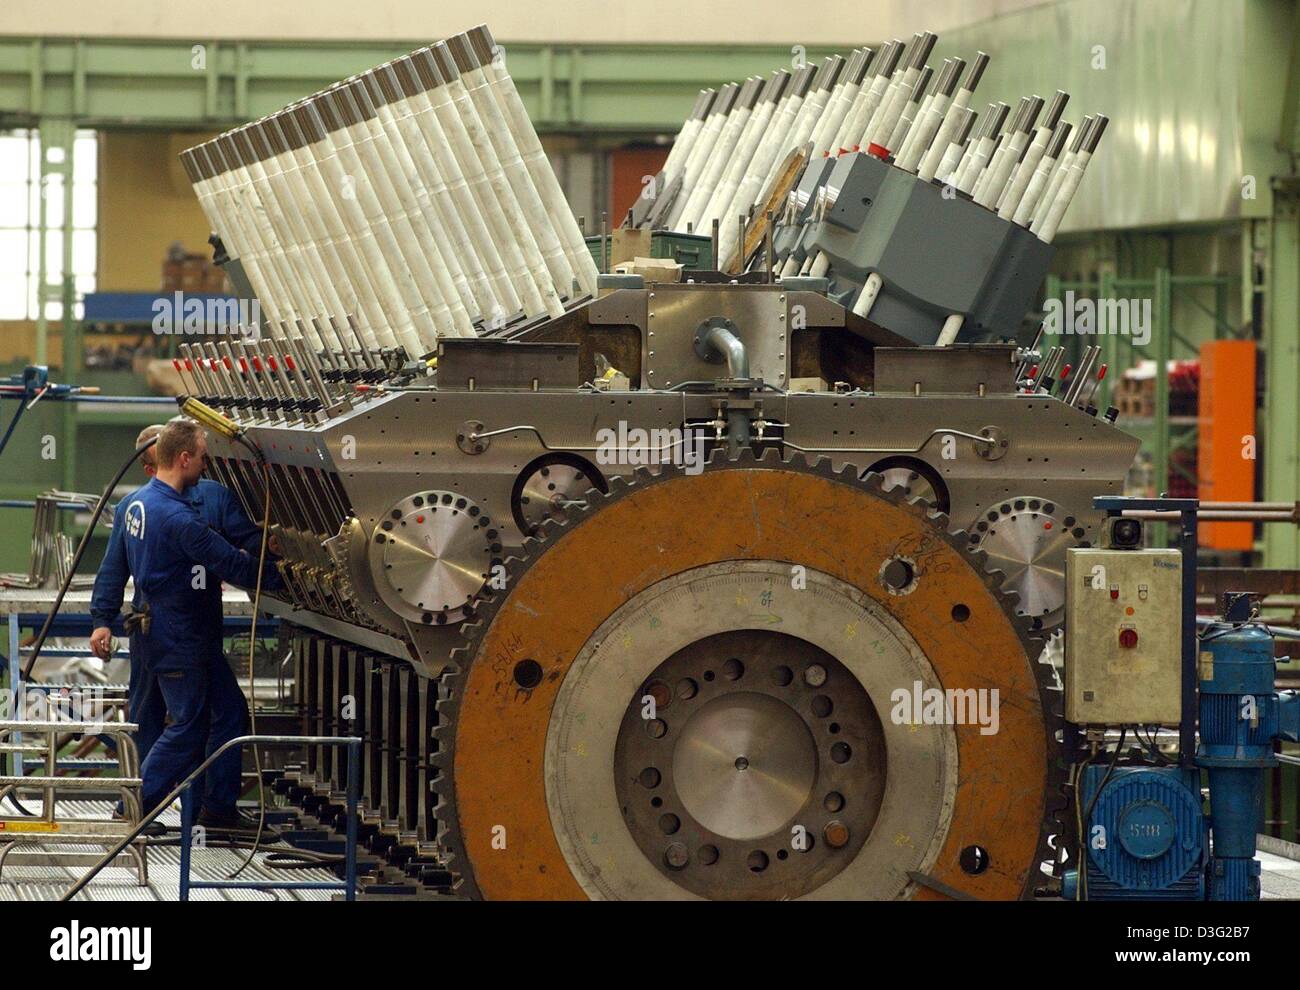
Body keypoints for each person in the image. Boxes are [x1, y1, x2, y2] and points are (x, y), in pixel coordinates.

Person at [110, 419, 279, 832]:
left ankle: (216, 810)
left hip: (181, 632)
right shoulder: (179, 518)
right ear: (184, 458)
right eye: (203, 457)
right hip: (178, 634)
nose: (206, 465)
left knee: (227, 711)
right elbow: (231, 562)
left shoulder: (141, 505)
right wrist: (278, 574)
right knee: (187, 724)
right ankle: (134, 807)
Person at [90, 425, 262, 776]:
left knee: (217, 716)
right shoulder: (141, 508)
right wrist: (102, 619)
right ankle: (144, 802)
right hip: (164, 631)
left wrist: (270, 551)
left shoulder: (212, 497)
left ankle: (207, 808)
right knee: (152, 718)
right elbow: (113, 568)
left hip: (196, 630)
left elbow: (247, 540)